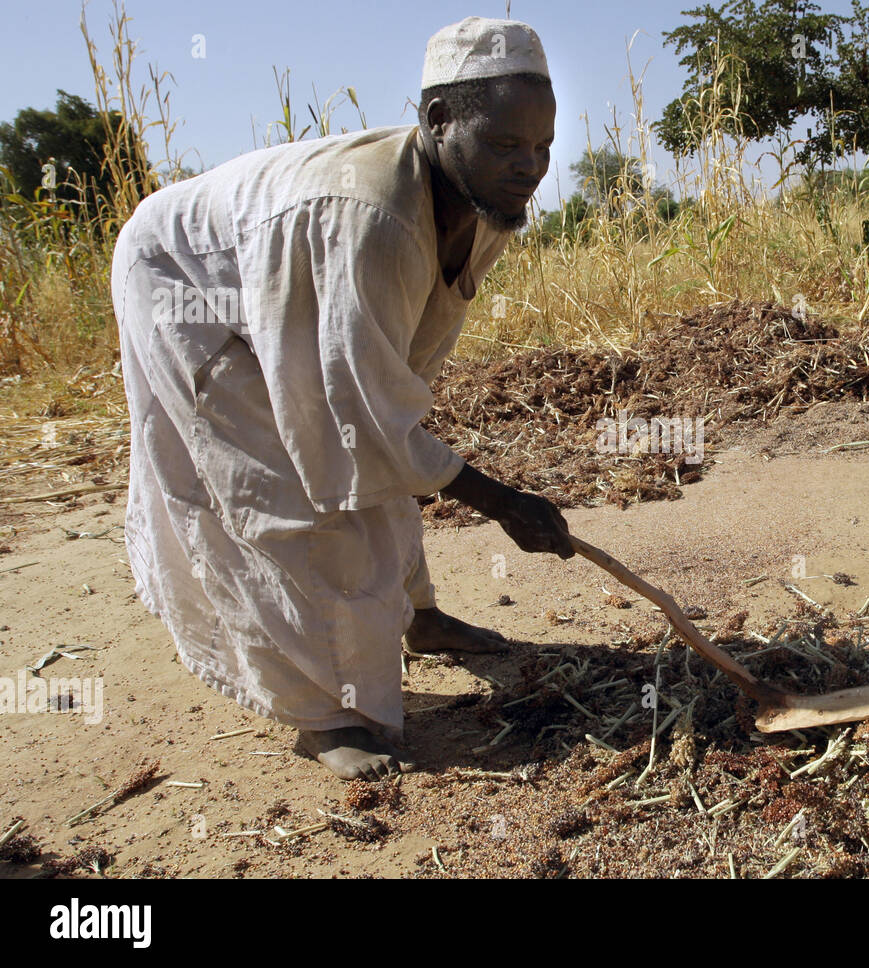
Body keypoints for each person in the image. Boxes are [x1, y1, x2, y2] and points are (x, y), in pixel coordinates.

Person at [110, 17, 572, 781]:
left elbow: (389, 392)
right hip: (183, 286)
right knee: (286, 492)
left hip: (283, 285)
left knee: (378, 459)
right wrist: (501, 502)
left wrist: (408, 441)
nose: (530, 167)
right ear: (436, 121)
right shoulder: (368, 219)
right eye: (505, 145)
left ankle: (418, 619)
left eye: (542, 147)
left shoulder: (484, 196)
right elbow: (351, 412)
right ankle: (327, 714)